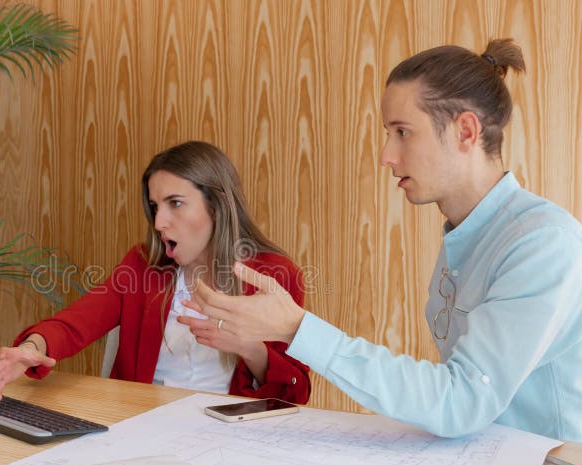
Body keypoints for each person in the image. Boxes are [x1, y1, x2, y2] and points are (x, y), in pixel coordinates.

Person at [180, 39, 582, 441]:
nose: (386, 155)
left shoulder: (542, 243)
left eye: (403, 132)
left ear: (465, 131)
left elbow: (461, 401)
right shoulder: (466, 235)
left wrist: (297, 328)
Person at [0, 141, 311, 404]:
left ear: (216, 205)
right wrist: (32, 349)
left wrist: (249, 347)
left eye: (176, 203)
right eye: (155, 207)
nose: (159, 223)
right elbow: (76, 323)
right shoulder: (141, 267)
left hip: (233, 446)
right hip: (141, 430)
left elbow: (296, 392)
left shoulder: (276, 276)